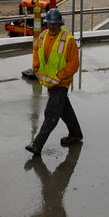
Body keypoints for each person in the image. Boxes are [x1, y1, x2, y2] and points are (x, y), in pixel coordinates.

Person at [25, 8, 82, 155]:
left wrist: (59, 76)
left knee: (51, 114)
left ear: (60, 24)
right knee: (64, 109)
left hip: (61, 83)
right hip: (50, 82)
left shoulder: (68, 40)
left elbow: (74, 64)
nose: (53, 27)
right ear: (47, 24)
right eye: (50, 24)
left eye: (55, 24)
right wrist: (36, 66)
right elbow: (36, 50)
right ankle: (76, 134)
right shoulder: (43, 36)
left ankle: (37, 144)